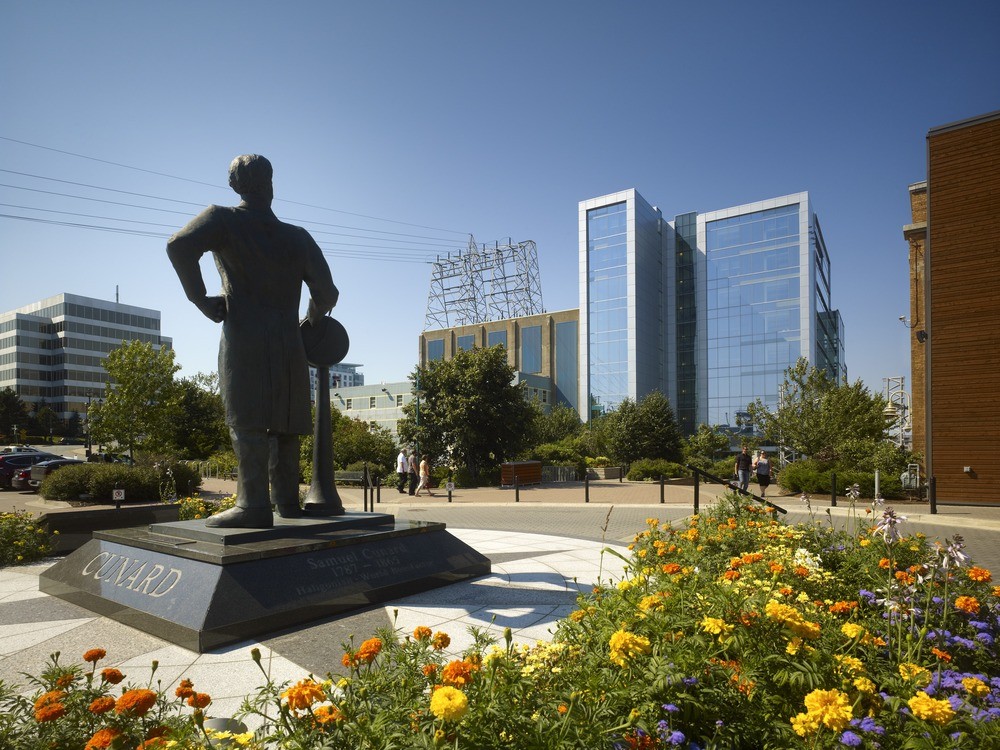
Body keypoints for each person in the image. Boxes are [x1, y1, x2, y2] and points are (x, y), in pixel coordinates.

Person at [167, 154, 338, 528]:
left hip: (244, 336)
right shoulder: (298, 237)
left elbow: (179, 246)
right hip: (288, 340)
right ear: (271, 183)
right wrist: (311, 320)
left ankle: (253, 506)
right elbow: (326, 293)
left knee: (247, 423)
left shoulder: (221, 218)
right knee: (286, 425)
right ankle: (287, 504)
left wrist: (201, 299)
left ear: (235, 187)